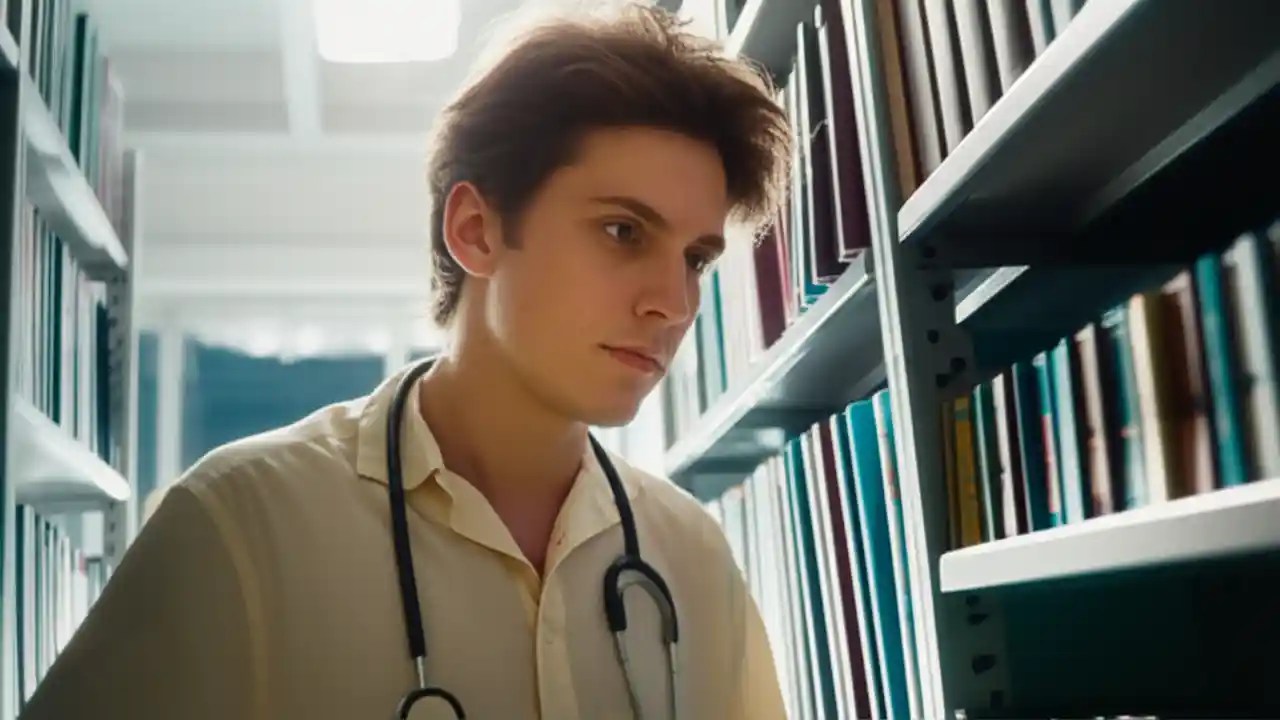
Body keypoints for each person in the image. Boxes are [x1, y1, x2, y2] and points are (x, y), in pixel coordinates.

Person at [22, 4, 792, 718]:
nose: (675, 302)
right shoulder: (241, 523)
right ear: (475, 230)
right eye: (623, 232)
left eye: (694, 258)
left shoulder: (692, 559)